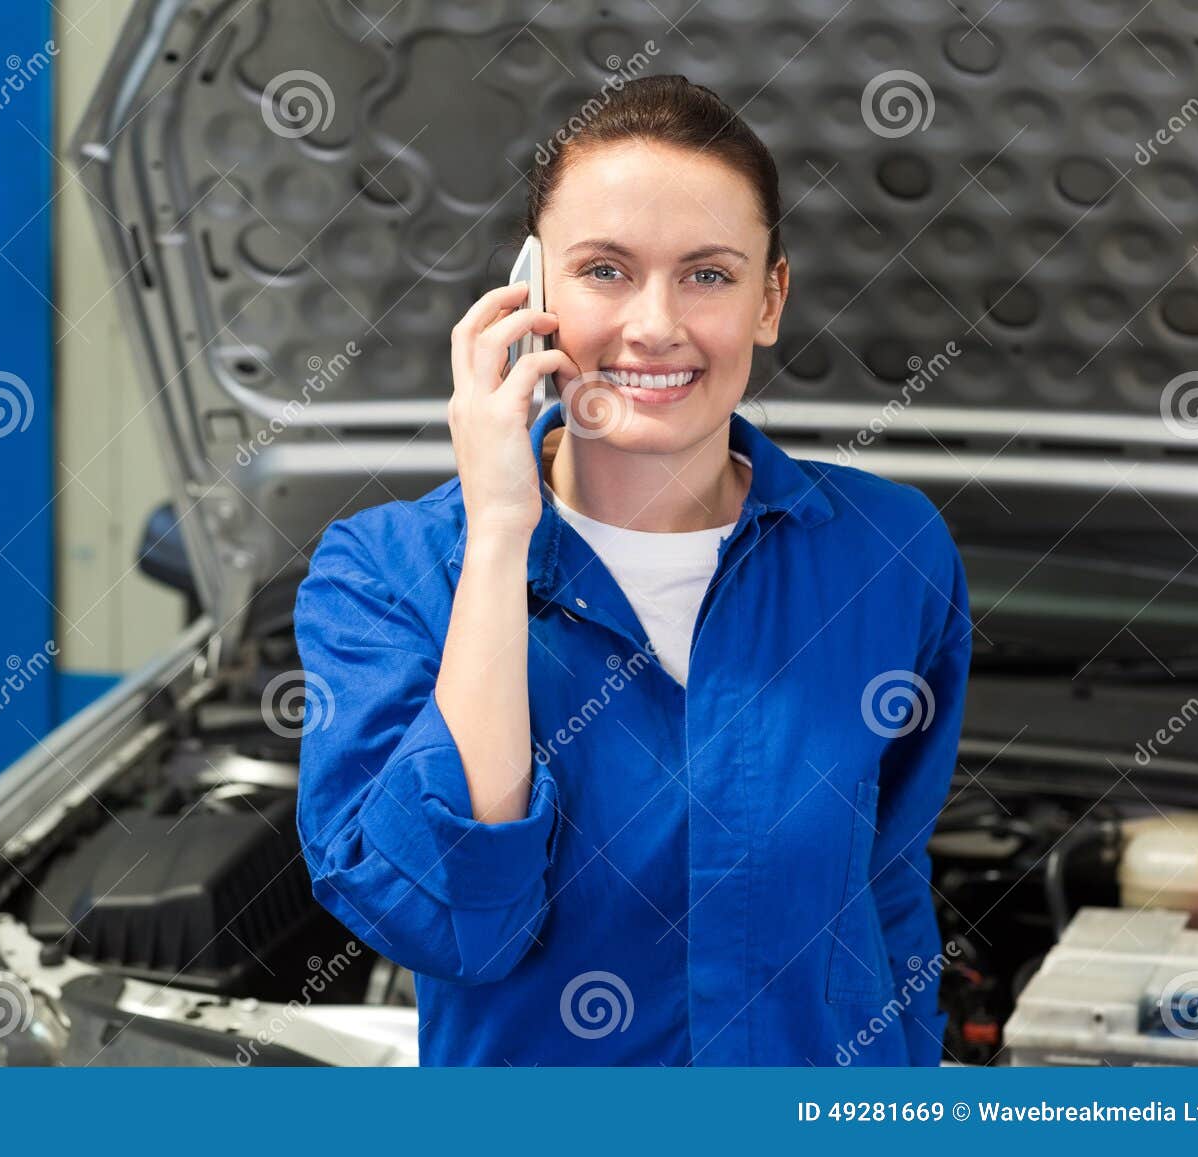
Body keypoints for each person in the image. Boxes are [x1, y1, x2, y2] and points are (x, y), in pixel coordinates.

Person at [292, 74, 971, 1066]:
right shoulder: (386, 575)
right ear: (531, 292)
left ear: (770, 297)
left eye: (707, 274)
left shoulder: (884, 551)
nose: (655, 325)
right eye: (605, 270)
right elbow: (447, 919)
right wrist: (495, 534)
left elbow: (887, 887)